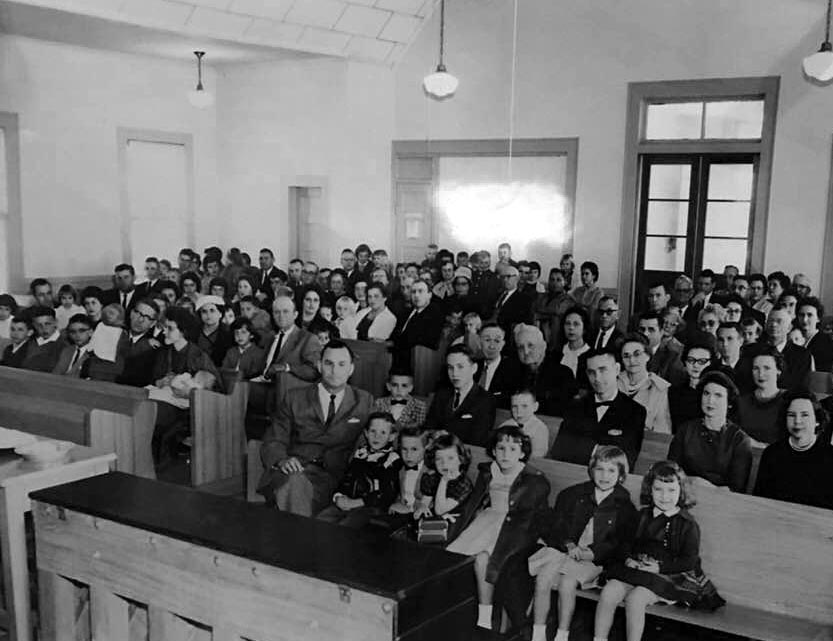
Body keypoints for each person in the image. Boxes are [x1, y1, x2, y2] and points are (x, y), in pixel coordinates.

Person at [594, 461, 719, 641]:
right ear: (649, 491)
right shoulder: (641, 515)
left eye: (671, 491)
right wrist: (628, 559)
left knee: (635, 599)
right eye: (658, 490)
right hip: (638, 567)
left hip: (669, 573)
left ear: (681, 492)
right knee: (609, 592)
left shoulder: (687, 524)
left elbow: (689, 561)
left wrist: (659, 568)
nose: (664, 496)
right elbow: (624, 543)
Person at [527, 446, 637, 641]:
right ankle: (538, 633)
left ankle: (562, 634)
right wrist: (568, 544)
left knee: (567, 584)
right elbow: (556, 525)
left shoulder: (625, 507)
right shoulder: (573, 494)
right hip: (564, 551)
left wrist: (593, 553)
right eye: (600, 469)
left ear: (621, 475)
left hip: (593, 561)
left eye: (611, 470)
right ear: (591, 470)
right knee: (543, 578)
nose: (604, 475)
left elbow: (620, 542)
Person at [448, 426, 550, 631]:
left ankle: (485, 616)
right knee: (453, 556)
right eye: (501, 448)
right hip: (486, 521)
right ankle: (459, 610)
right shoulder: (488, 471)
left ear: (522, 453)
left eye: (513, 449)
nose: (505, 454)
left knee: (485, 559)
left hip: (513, 527)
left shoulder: (534, 479)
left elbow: (535, 515)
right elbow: (475, 502)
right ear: (493, 451)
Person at [257, 340, 374, 516]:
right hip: (294, 471)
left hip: (335, 480)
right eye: (329, 363)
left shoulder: (364, 401)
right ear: (319, 366)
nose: (335, 371)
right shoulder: (294, 397)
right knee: (294, 485)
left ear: (351, 369)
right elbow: (274, 440)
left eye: (342, 364)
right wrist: (282, 460)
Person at [550, 347, 646, 470]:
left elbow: (625, 458)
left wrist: (580, 447)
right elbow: (559, 450)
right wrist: (596, 449)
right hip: (573, 474)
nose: (597, 378)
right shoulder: (576, 406)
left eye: (603, 370)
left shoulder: (635, 411)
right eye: (591, 372)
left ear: (617, 369)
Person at [668, 370, 753, 493]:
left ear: (729, 402)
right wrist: (692, 482)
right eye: (706, 393)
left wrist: (705, 487)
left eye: (718, 395)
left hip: (723, 501)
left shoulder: (739, 439)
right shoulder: (686, 430)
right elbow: (671, 470)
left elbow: (737, 488)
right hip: (684, 493)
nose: (710, 400)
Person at [316, 412, 402, 528]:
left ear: (392, 436)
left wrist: (355, 503)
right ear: (366, 433)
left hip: (371, 508)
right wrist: (339, 496)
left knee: (346, 527)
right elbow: (347, 478)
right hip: (349, 502)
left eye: (383, 432)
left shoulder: (392, 459)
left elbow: (386, 494)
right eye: (373, 431)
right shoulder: (360, 453)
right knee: (321, 520)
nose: (377, 436)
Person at [754, 390, 833, 510]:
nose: (797, 421)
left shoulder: (830, 457)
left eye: (804, 415)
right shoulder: (772, 454)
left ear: (817, 420)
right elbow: (760, 501)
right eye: (791, 415)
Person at [248, 295, 323, 419]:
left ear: (295, 314)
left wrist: (287, 367)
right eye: (277, 312)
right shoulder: (270, 337)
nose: (281, 316)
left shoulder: (307, 338)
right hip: (262, 384)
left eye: (285, 311)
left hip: (286, 390)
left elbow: (314, 371)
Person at [425, 344, 497, 447]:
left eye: (460, 367)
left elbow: (478, 440)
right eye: (450, 368)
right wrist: (434, 433)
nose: (454, 373)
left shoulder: (486, 400)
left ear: (474, 368)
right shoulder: (442, 394)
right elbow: (428, 427)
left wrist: (446, 437)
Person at [413, 431, 474, 539]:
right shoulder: (433, 477)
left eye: (450, 458)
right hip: (437, 523)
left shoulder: (463, 484)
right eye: (438, 459)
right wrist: (422, 507)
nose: (444, 464)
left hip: (458, 525)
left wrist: (444, 481)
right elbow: (425, 502)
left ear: (461, 459)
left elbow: (440, 510)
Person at [515, 324, 576, 417]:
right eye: (520, 347)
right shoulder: (512, 373)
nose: (526, 352)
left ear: (543, 346)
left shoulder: (563, 374)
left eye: (530, 345)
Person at [618, 333, 672, 434]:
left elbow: (662, 431)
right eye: (626, 356)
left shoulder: (659, 388)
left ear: (647, 356)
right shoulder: (614, 382)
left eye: (637, 354)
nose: (632, 360)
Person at [736, 346, 787, 445]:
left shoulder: (789, 400)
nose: (761, 374)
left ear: (778, 370)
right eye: (756, 368)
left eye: (766, 368)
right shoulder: (741, 402)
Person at [392, 279, 444, 369]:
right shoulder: (405, 313)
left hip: (419, 363)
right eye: (413, 292)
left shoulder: (435, 314)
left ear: (429, 295)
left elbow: (425, 341)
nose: (416, 295)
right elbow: (395, 335)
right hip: (397, 359)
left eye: (420, 291)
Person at [669, 341, 716, 432]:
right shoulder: (673, 392)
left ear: (711, 363)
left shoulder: (714, 394)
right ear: (685, 363)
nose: (695, 365)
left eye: (702, 361)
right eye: (691, 360)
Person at [476, 322, 524, 409]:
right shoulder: (471, 366)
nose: (491, 346)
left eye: (497, 341)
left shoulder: (514, 371)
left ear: (503, 344)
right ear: (479, 342)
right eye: (487, 340)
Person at [118, 299, 163, 387]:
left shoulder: (154, 349)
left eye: (147, 317)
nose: (140, 319)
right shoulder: (116, 335)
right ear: (131, 313)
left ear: (153, 323)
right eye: (138, 313)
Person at [387, 427, 430, 517]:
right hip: (402, 515)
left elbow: (428, 504)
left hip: (421, 516)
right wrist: (396, 503)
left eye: (414, 449)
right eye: (404, 449)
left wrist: (409, 509)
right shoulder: (401, 470)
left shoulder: (430, 473)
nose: (408, 455)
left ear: (425, 447)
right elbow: (403, 494)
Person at [498, 389, 549, 457]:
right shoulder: (505, 425)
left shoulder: (540, 429)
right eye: (514, 406)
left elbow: (537, 456)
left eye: (524, 406)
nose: (519, 411)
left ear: (535, 407)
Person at [534, 268, 575, 349]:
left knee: (555, 318)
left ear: (565, 282)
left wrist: (540, 315)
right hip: (539, 337)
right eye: (552, 279)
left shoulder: (568, 300)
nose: (554, 283)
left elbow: (557, 311)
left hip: (558, 340)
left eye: (558, 280)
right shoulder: (542, 296)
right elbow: (535, 310)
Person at [493, 266, 534, 336]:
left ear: (517, 278)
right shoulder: (496, 295)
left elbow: (524, 323)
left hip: (509, 335)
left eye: (508, 276)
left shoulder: (524, 299)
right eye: (503, 277)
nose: (505, 280)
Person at [22, 306, 64, 372]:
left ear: (55, 322)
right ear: (34, 325)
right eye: (39, 325)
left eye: (47, 324)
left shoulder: (63, 345)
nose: (44, 328)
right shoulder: (30, 341)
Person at [195, 295, 233, 367]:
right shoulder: (194, 332)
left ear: (220, 314)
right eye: (204, 311)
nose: (208, 315)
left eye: (212, 311)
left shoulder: (228, 333)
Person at [798, 297, 833, 372]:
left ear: (818, 319)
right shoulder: (793, 337)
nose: (804, 319)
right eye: (801, 315)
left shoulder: (826, 343)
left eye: (809, 315)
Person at [558, 307, 591, 380]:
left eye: (576, 324)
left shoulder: (591, 356)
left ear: (584, 328)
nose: (571, 328)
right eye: (567, 323)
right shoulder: (556, 353)